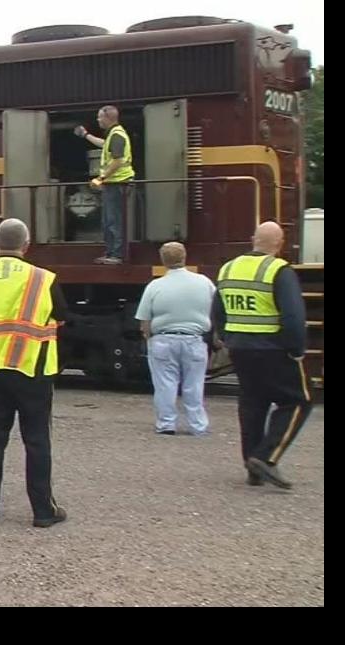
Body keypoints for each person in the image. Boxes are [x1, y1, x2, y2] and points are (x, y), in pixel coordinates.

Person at [0, 219, 68, 528]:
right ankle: (43, 512)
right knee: (36, 440)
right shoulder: (43, 278)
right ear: (27, 245)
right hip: (32, 368)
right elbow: (60, 315)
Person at [213, 221, 311, 489]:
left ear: (252, 238)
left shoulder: (228, 268)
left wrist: (228, 338)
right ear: (279, 244)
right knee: (298, 401)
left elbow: (218, 311)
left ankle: (251, 466)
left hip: (240, 349)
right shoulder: (279, 270)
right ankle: (265, 458)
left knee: (252, 403)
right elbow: (293, 316)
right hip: (273, 348)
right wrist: (296, 349)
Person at [135, 242, 217, 436]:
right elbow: (216, 311)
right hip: (194, 340)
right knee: (195, 385)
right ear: (185, 257)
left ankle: (166, 424)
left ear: (163, 261)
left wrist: (148, 338)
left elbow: (145, 321)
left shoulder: (155, 286)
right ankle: (198, 425)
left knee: (165, 384)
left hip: (163, 340)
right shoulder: (204, 282)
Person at [75, 105, 135, 264]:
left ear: (108, 118)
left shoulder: (117, 135)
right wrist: (86, 135)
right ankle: (111, 254)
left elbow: (118, 160)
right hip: (113, 184)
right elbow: (103, 144)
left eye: (99, 117)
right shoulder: (113, 136)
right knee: (109, 220)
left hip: (118, 184)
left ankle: (117, 255)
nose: (98, 119)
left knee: (114, 220)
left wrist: (101, 178)